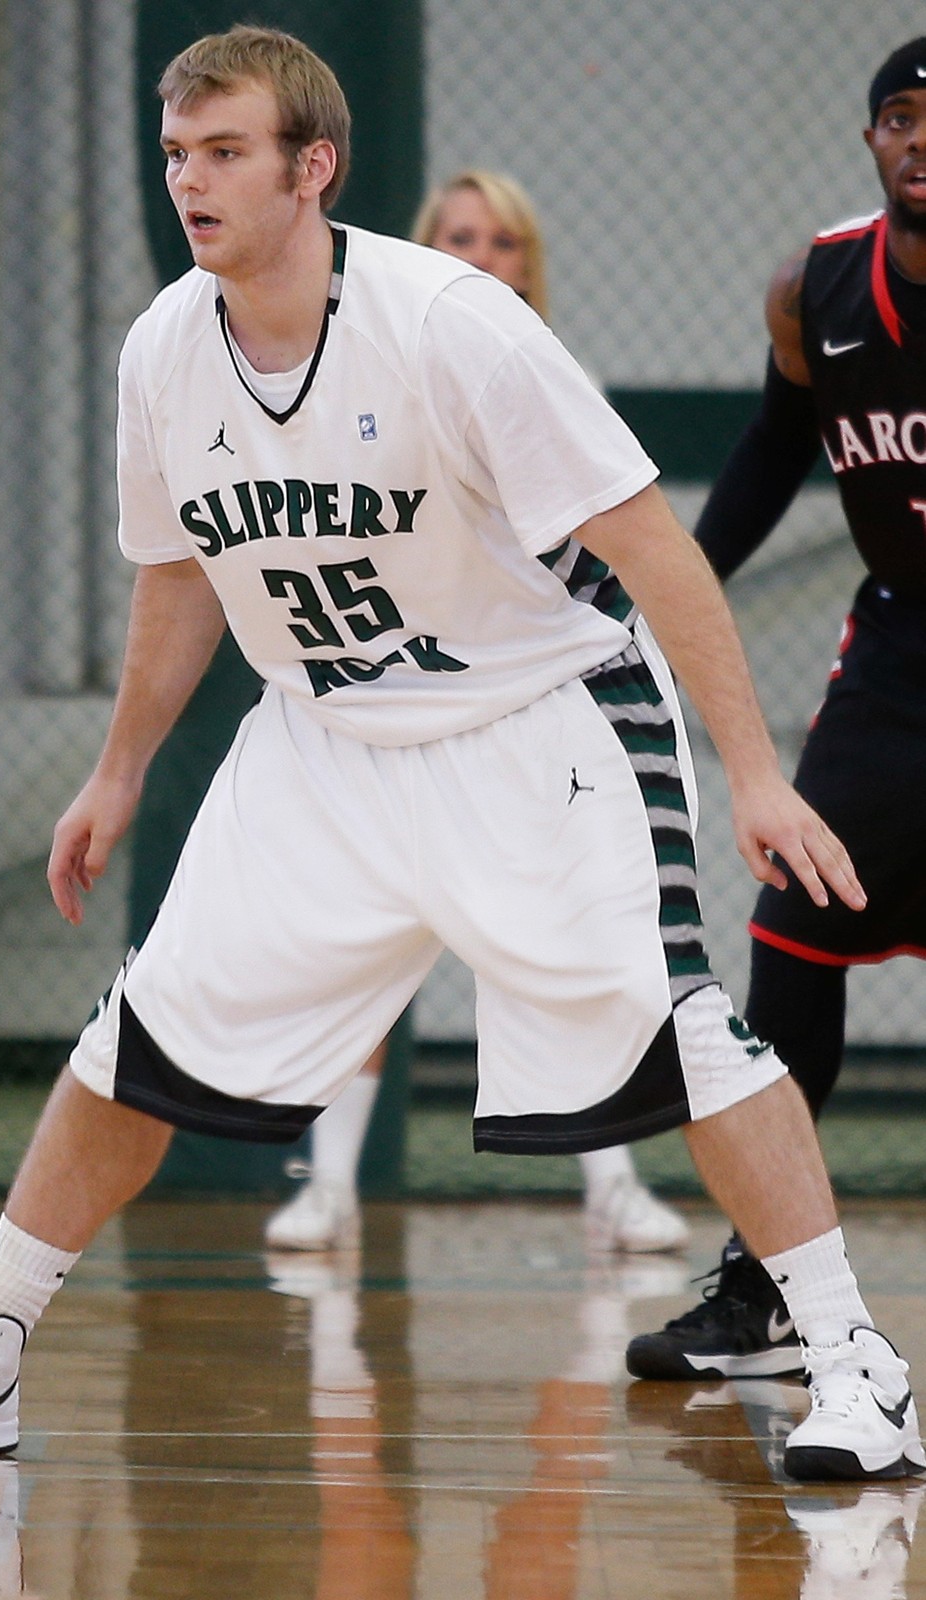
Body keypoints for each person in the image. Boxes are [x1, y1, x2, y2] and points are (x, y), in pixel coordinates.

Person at [0, 25, 923, 1484]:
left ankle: (857, 1363)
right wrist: (118, 768)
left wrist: (755, 772)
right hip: (323, 740)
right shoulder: (164, 347)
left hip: (533, 721)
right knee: (134, 1041)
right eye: (173, 155)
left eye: (222, 153)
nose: (188, 183)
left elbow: (649, 543)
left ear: (310, 168)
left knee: (683, 1033)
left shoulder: (451, 322)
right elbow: (177, 573)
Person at [266, 168, 689, 1256]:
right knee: (359, 953)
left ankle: (610, 1183)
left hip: (526, 709)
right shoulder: (365, 366)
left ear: (526, 264)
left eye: (502, 241)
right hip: (396, 700)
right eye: (458, 235)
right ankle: (328, 1185)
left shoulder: (541, 374)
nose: (480, 255)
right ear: (421, 246)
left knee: (561, 948)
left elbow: (603, 560)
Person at [626, 35, 926, 1385]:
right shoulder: (813, 290)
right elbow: (766, 455)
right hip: (897, 655)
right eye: (898, 118)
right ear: (870, 141)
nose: (919, 139)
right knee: (792, 938)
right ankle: (763, 1294)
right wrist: (663, 592)